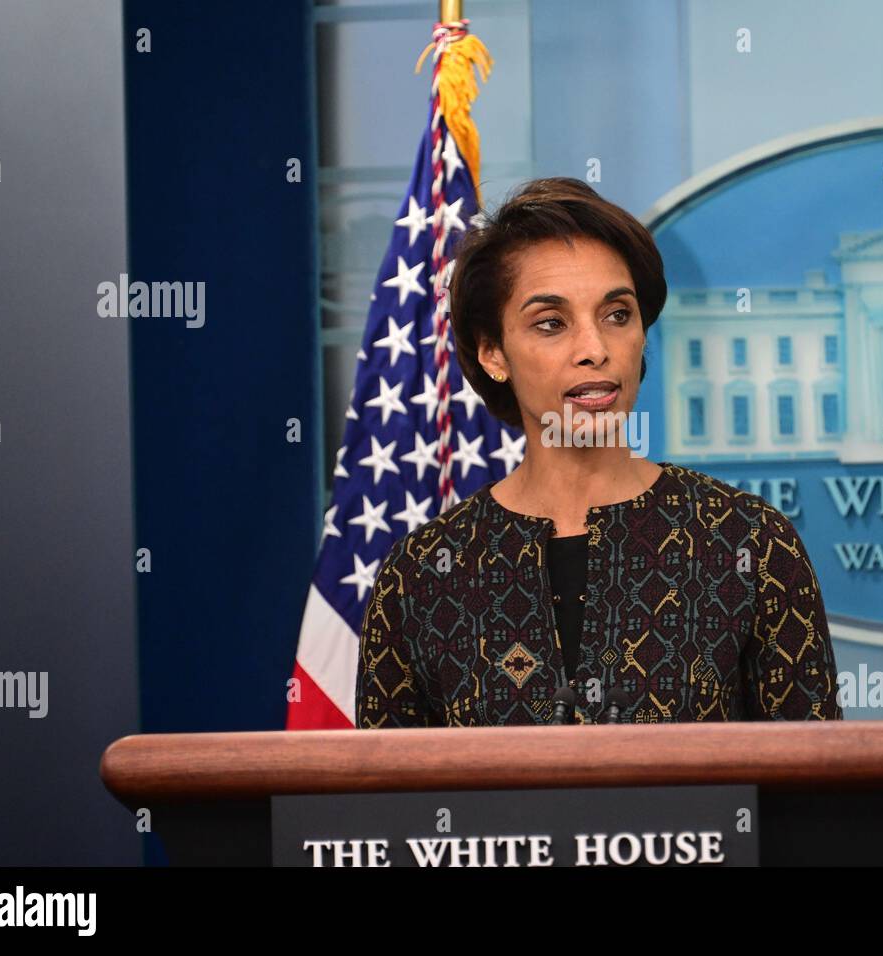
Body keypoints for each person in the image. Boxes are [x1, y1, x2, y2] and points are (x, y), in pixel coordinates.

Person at [355, 177, 841, 727]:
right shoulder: (420, 574)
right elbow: (388, 804)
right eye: (551, 323)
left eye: (617, 315)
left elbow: (814, 792)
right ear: (493, 353)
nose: (595, 349)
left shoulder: (747, 541)